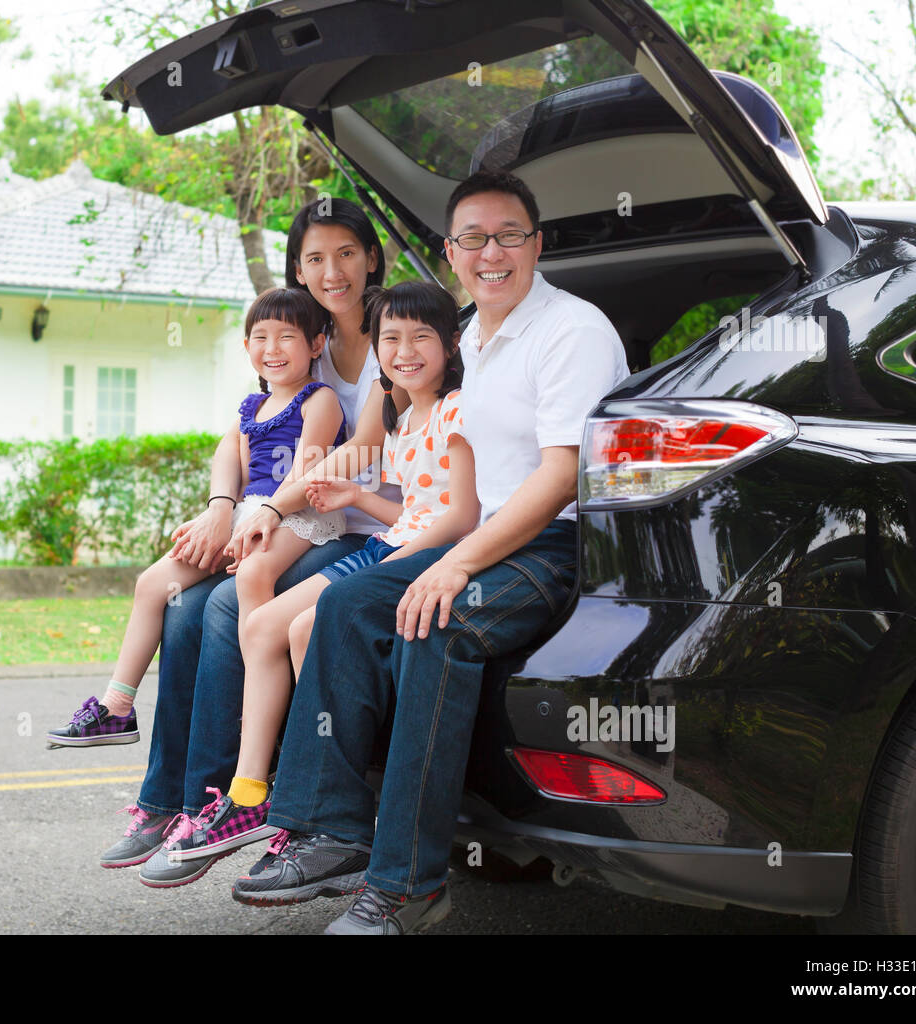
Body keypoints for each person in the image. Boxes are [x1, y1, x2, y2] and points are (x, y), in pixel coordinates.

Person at [231, 170, 631, 934]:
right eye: (473, 238)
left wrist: (455, 561)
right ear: (451, 252)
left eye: (508, 235)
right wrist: (429, 541)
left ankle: (409, 888)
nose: (491, 252)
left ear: (536, 244)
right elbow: (462, 476)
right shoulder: (473, 339)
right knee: (346, 604)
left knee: (433, 623)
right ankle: (330, 830)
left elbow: (557, 476)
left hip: (556, 544)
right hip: (485, 535)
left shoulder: (571, 331)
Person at [96, 198, 409, 888]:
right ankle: (168, 802)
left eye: (347, 253)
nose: (333, 271)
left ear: (372, 257)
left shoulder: (396, 332)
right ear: (298, 268)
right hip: (287, 520)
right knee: (178, 600)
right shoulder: (299, 335)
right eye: (316, 258)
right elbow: (242, 434)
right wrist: (223, 507)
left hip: (360, 525)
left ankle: (229, 796)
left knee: (223, 610)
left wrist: (270, 504)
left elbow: (363, 449)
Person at [159, 281, 479, 872]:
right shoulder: (400, 417)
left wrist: (396, 544)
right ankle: (250, 796)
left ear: (453, 343)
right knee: (260, 631)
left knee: (305, 628)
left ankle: (327, 797)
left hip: (412, 555)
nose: (403, 351)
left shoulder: (457, 410)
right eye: (390, 339)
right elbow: (412, 507)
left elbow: (461, 516)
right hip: (390, 542)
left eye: (420, 337)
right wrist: (355, 495)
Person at [44, 286, 347, 748]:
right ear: (246, 347)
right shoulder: (251, 407)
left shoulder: (318, 400)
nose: (272, 349)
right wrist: (220, 517)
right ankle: (117, 707)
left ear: (316, 344)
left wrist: (258, 518)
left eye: (287, 337)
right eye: (261, 337)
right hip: (249, 513)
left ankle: (257, 704)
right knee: (151, 584)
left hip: (299, 513)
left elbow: (306, 475)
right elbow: (239, 473)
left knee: (254, 574)